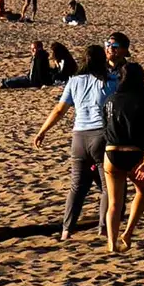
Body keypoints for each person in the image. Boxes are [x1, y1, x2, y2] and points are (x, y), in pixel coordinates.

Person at [33, 44, 109, 242]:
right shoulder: (108, 81)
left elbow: (59, 110)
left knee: (77, 187)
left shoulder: (74, 81)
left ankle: (66, 230)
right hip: (100, 135)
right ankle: (104, 227)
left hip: (78, 137)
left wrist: (42, 131)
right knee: (108, 186)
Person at [101, 62, 144, 253]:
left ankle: (111, 243)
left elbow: (105, 128)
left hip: (111, 153)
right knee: (142, 191)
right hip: (134, 153)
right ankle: (127, 233)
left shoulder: (110, 100)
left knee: (114, 203)